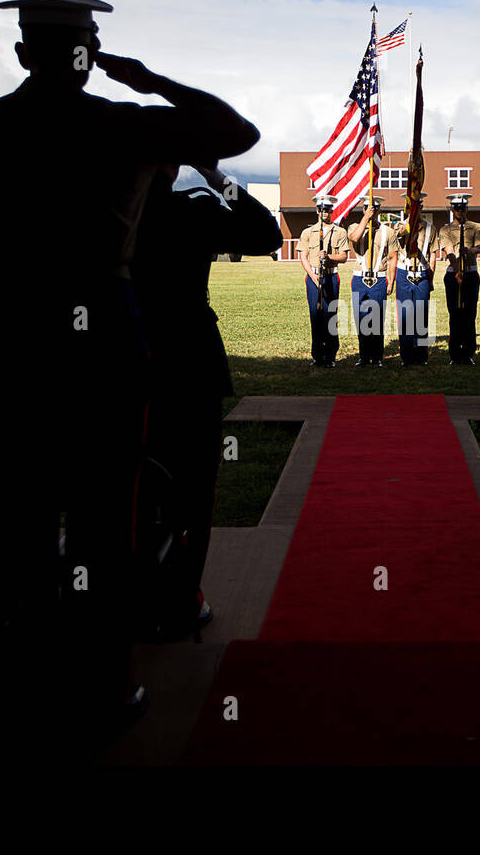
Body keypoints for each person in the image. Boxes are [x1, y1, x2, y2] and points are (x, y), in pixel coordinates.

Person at [0, 0, 259, 735]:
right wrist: (148, 80)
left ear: (20, 53)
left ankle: (24, 689)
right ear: (90, 53)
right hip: (102, 332)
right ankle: (104, 685)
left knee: (19, 521)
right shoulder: (119, 123)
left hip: (6, 333)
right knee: (109, 518)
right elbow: (237, 132)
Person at [132, 162, 281, 637]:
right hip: (190, 366)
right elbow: (265, 234)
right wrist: (215, 175)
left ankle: (132, 595)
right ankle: (180, 597)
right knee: (194, 491)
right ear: (173, 167)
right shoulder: (191, 212)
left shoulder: (107, 213)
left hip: (123, 362)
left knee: (127, 488)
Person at [298, 193, 351, 367]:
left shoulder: (340, 231)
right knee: (315, 315)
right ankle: (317, 355)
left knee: (330, 316)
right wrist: (312, 276)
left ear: (332, 211)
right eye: (321, 210)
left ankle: (330, 356)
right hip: (313, 277)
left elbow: (344, 256)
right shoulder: (308, 232)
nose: (324, 213)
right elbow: (303, 256)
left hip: (330, 276)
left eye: (327, 210)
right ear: (316, 211)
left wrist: (329, 257)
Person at [347, 195, 398, 367]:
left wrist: (391, 281)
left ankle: (377, 357)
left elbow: (392, 257)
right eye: (367, 207)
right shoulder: (355, 226)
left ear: (379, 210)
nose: (371, 211)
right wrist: (365, 219)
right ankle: (364, 356)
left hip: (379, 279)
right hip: (360, 279)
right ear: (362, 209)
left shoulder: (388, 231)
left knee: (377, 319)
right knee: (361, 319)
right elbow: (354, 239)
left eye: (375, 208)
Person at [437, 194, 480, 365]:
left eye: (462, 207)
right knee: (455, 314)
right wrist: (457, 271)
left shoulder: (476, 227)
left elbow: (479, 247)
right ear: (452, 209)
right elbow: (449, 252)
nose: (459, 210)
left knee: (470, 313)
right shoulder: (446, 229)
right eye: (456, 207)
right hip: (453, 274)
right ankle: (455, 354)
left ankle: (468, 353)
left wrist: (470, 251)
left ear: (467, 208)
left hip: (471, 273)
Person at [394, 194, 438, 365]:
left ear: (422, 206)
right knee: (405, 316)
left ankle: (421, 356)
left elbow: (432, 256)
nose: (415, 207)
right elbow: (398, 236)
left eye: (418, 204)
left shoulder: (430, 228)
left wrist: (431, 278)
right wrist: (407, 226)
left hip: (422, 274)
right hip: (404, 273)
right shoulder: (400, 225)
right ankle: (406, 356)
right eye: (412, 204)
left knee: (422, 316)